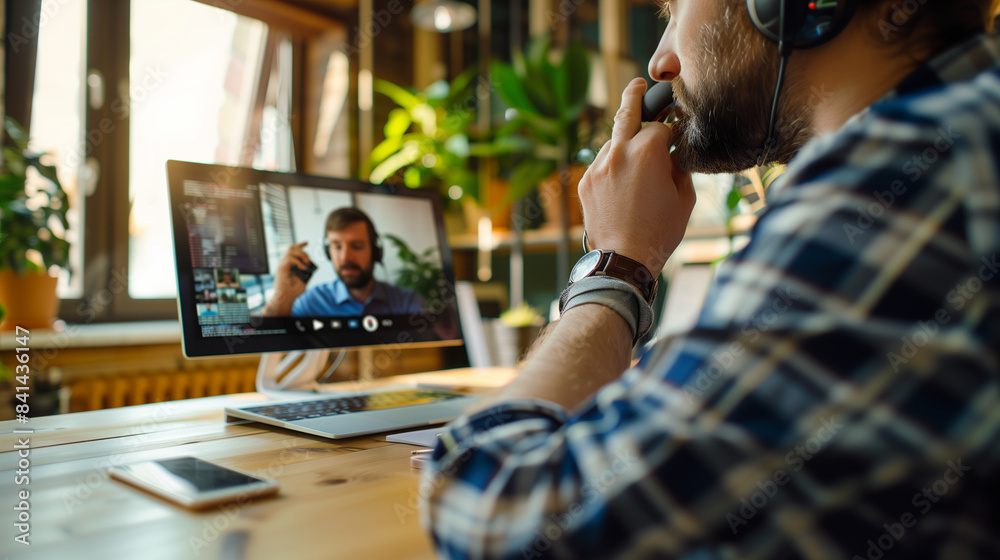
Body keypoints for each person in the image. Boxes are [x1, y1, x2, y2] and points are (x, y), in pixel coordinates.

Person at [422, 1, 1000, 558]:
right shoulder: (962, 132)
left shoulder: (892, 183)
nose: (659, 63)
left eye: (675, 10)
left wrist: (619, 263)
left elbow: (496, 514)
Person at [262, 207, 422, 317]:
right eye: (337, 246)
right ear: (327, 252)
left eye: (357, 246)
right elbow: (269, 348)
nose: (345, 257)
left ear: (375, 251)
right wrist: (281, 298)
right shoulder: (311, 302)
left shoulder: (406, 302)